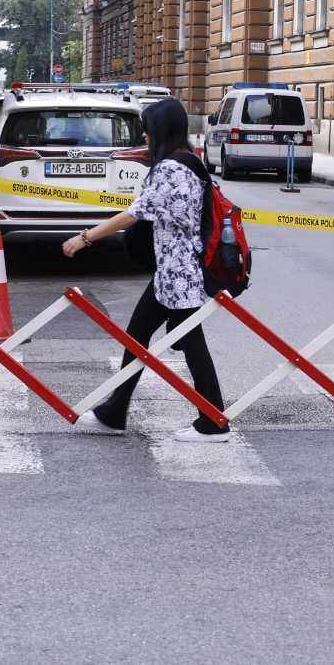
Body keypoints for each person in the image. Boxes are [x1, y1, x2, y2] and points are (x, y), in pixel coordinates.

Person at [62, 97, 228, 442]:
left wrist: (84, 238)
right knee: (136, 336)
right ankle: (115, 411)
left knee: (192, 346)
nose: (145, 137)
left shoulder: (170, 169)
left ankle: (214, 422)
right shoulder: (190, 163)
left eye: (148, 131)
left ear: (161, 130)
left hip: (181, 276)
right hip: (172, 275)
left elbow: (135, 212)